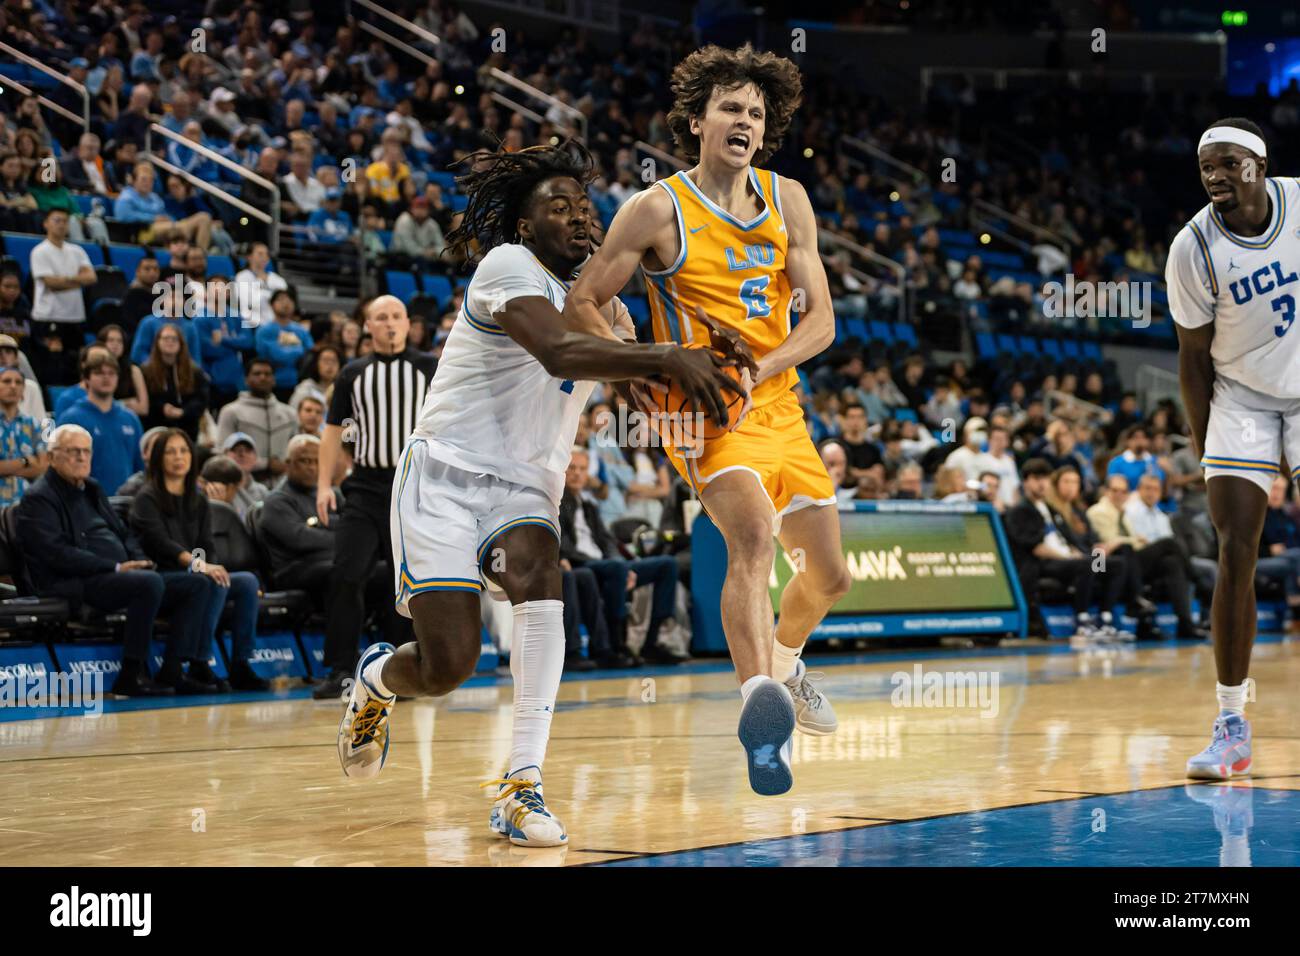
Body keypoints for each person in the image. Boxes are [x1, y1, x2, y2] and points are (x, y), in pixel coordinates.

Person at [336, 141, 742, 850]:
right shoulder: (507, 268)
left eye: (587, 208)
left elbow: (640, 383)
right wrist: (666, 356)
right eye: (560, 207)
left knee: (541, 573)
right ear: (526, 227)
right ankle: (377, 679)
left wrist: (705, 382)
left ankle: (521, 785)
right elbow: (557, 351)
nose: (581, 219)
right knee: (448, 665)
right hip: (445, 477)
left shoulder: (608, 314)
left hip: (525, 485)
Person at [564, 45, 849, 797]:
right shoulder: (658, 207)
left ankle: (786, 665)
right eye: (730, 107)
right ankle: (761, 711)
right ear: (696, 120)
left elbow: (822, 323)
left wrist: (764, 366)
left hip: (777, 400)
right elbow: (584, 300)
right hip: (702, 411)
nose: (744, 121)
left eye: (756, 112)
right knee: (752, 539)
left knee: (830, 577)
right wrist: (641, 356)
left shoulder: (789, 200)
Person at [1169, 117, 1300, 779]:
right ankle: (1230, 725)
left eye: (1227, 164)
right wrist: (1205, 449)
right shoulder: (1192, 248)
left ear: (1260, 163)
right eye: (1205, 168)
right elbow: (1192, 361)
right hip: (1240, 398)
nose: (1215, 177)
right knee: (1235, 546)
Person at [16, 424, 210, 697]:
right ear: (51, 457)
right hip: (75, 581)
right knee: (149, 583)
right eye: (73, 452)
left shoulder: (92, 489)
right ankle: (131, 675)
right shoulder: (39, 498)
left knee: (198, 584)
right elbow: (56, 553)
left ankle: (175, 669)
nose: (82, 458)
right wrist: (115, 567)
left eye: (86, 451)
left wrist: (140, 560)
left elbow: (125, 533)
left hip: (121, 575)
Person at [311, 294, 435, 700]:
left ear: (407, 323)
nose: (390, 323)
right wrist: (324, 485)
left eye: (396, 316)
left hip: (414, 487)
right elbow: (332, 433)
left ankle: (405, 672)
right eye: (381, 317)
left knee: (408, 586)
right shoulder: (352, 373)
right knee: (346, 574)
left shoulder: (430, 367)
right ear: (368, 325)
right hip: (364, 487)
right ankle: (339, 669)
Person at [129, 428, 268, 692]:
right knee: (209, 581)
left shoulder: (199, 499)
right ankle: (198, 662)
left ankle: (240, 664)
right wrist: (199, 566)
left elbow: (206, 545)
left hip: (194, 571)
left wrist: (206, 565)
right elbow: (161, 544)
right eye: (170, 451)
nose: (178, 457)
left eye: (183, 451)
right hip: (162, 576)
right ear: (158, 458)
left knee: (246, 582)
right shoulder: (146, 497)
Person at [559, 445, 687, 664]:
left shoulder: (589, 505)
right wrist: (615, 565)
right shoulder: (558, 504)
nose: (577, 473)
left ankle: (651, 643)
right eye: (572, 468)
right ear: (562, 471)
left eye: (582, 469)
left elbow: (608, 541)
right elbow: (563, 546)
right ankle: (617, 643)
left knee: (667, 564)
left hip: (607, 564)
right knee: (617, 569)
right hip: (583, 565)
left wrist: (621, 563)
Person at [259, 434, 346, 608]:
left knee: (387, 567)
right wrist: (344, 536)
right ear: (288, 463)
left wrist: (317, 524)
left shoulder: (332, 494)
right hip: (294, 568)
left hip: (332, 559)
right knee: (345, 570)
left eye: (317, 461)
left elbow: (353, 527)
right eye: (304, 461)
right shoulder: (276, 500)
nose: (312, 467)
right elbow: (300, 540)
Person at [56, 351, 144, 495]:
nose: (106, 377)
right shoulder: (71, 419)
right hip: (84, 502)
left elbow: (140, 467)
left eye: (111, 373)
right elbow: (60, 467)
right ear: (87, 379)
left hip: (124, 503)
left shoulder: (130, 419)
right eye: (99, 373)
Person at [214, 358, 296, 482]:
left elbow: (296, 453)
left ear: (274, 380)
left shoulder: (290, 414)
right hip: (243, 484)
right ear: (246, 380)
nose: (262, 378)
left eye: (268, 374)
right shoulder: (231, 412)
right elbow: (222, 454)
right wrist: (265, 464)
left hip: (283, 486)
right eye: (257, 374)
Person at [138, 324, 210, 440]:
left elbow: (202, 399)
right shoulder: (145, 371)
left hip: (187, 429)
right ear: (157, 342)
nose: (170, 342)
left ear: (181, 343)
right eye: (166, 338)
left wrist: (183, 412)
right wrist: (162, 408)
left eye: (174, 339)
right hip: (154, 428)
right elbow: (145, 398)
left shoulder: (195, 371)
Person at [31, 209, 95, 330]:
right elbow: (52, 284)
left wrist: (64, 280)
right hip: (48, 316)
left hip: (75, 316)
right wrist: (79, 281)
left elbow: (91, 278)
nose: (61, 224)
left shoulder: (77, 250)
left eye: (65, 221)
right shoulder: (39, 251)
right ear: (46, 224)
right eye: (57, 220)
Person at [0, 365, 47, 507]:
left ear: (23, 391)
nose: (13, 386)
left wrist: (6, 468)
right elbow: (35, 465)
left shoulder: (34, 424)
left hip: (28, 505)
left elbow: (43, 466)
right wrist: (25, 462)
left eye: (18, 382)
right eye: (7, 381)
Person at [255, 290, 313, 401]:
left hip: (298, 383)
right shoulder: (264, 331)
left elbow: (309, 355)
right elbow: (276, 356)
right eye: (280, 299)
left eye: (289, 300)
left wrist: (284, 349)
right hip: (272, 383)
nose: (285, 303)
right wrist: (298, 349)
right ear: (272, 305)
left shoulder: (301, 330)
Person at [95, 325, 149, 418]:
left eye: (119, 341)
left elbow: (144, 408)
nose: (115, 344)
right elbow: (95, 404)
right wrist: (125, 403)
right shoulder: (94, 370)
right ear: (102, 343)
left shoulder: (133, 370)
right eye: (111, 340)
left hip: (127, 419)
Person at [233, 242, 288, 330]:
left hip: (277, 323)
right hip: (252, 324)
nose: (264, 257)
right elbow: (249, 301)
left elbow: (285, 302)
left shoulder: (278, 280)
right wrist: (272, 297)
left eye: (266, 254)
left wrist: (262, 295)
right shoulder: (242, 277)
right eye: (260, 254)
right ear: (249, 257)